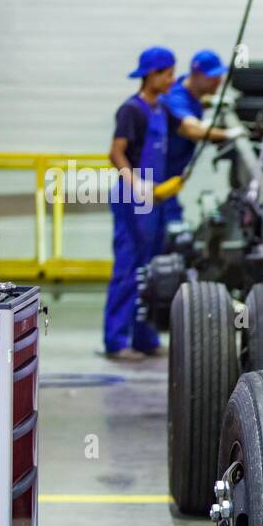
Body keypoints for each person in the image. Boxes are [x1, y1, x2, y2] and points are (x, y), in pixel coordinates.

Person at [104, 46, 176, 362]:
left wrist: (221, 133)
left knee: (151, 268)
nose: (172, 79)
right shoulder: (131, 111)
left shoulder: (162, 109)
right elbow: (116, 152)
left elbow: (187, 129)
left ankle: (145, 338)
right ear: (152, 74)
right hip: (133, 195)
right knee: (128, 267)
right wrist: (134, 182)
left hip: (154, 197)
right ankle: (116, 341)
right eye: (168, 73)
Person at [159, 49, 245, 224]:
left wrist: (209, 102)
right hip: (154, 182)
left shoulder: (187, 89)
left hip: (167, 180)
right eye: (212, 77)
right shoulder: (176, 98)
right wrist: (229, 134)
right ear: (196, 75)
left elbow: (192, 104)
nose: (218, 82)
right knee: (159, 232)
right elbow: (192, 131)